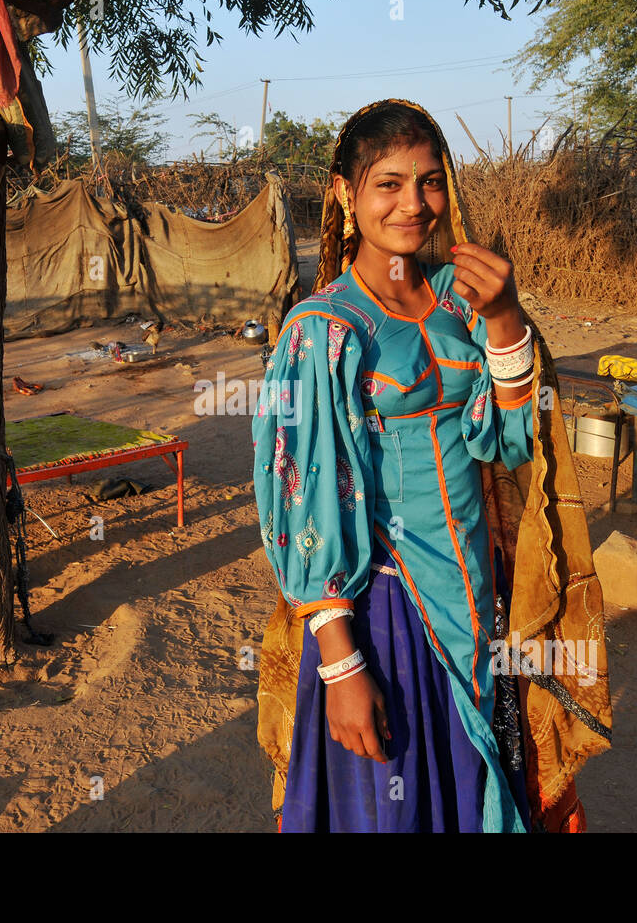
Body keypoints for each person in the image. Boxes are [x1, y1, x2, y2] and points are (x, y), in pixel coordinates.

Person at [252, 100, 610, 833]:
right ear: (346, 195)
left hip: (481, 599)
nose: (413, 204)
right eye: (388, 184)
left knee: (473, 789)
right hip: (389, 614)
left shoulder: (463, 301)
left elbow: (508, 448)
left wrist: (508, 321)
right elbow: (305, 507)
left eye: (429, 181)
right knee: (399, 803)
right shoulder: (322, 331)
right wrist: (342, 665)